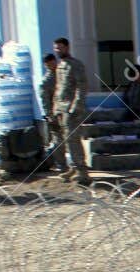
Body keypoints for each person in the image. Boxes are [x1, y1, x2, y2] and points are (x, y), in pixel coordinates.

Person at [51, 37, 90, 183]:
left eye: (60, 48)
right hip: (61, 108)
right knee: (67, 140)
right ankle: (73, 166)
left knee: (73, 139)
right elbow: (58, 89)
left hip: (72, 109)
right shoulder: (61, 66)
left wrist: (76, 106)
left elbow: (82, 86)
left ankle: (82, 170)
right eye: (55, 48)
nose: (57, 50)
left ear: (67, 48)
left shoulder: (76, 65)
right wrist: (55, 108)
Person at [39, 53, 58, 152]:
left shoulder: (64, 74)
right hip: (55, 114)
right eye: (48, 65)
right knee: (56, 141)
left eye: (52, 63)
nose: (51, 66)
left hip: (68, 112)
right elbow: (45, 100)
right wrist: (50, 115)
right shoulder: (46, 81)